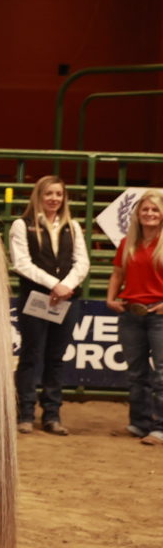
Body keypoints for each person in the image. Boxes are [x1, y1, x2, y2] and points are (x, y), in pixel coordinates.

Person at [9, 175, 90, 435]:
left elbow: (82, 262)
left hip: (67, 300)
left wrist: (66, 286)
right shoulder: (22, 225)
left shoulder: (72, 227)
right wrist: (54, 284)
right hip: (35, 299)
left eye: (58, 194)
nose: (54, 198)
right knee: (31, 355)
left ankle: (52, 415)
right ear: (39, 196)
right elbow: (21, 263)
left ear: (64, 198)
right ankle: (25, 413)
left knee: (56, 358)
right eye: (49, 193)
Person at [106, 189, 163, 446]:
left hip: (159, 314)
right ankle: (139, 423)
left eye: (155, 209)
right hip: (131, 313)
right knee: (136, 372)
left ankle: (160, 428)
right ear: (137, 214)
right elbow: (118, 273)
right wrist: (111, 298)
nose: (150, 213)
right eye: (145, 209)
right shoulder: (127, 243)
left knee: (162, 374)